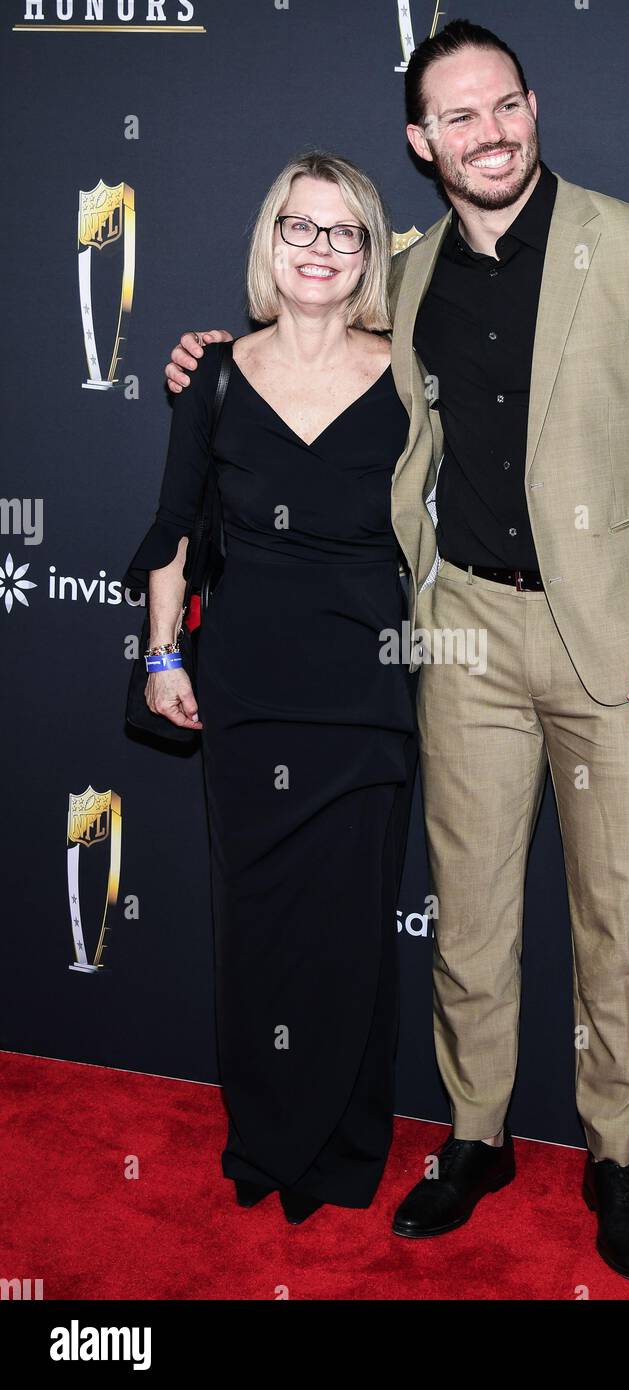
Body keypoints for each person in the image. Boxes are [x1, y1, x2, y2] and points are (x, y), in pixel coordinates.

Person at [163, 21, 629, 1280]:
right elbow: (301, 345)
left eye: (505, 107)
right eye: (457, 118)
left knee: (615, 917)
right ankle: (474, 1137)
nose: (488, 134)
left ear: (530, 109)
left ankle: (614, 1157)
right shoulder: (411, 272)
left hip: (615, 643)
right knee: (471, 921)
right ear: (423, 144)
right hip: (461, 633)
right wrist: (204, 356)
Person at [123, 152, 436, 1224]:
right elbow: (172, 527)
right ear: (269, 241)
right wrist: (163, 654)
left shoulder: (406, 370)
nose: (318, 249)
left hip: (368, 688)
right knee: (254, 925)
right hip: (249, 686)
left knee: (350, 925)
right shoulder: (211, 372)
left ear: (368, 255)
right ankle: (263, 1137)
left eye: (343, 232)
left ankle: (344, 1146)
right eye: (298, 227)